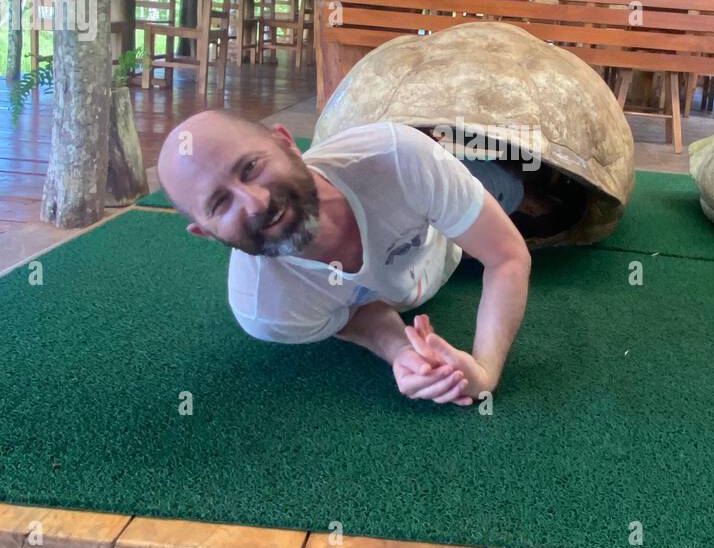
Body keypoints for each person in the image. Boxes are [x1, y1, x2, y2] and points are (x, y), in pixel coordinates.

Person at [157, 112, 533, 407]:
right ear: (207, 233)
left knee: (519, 187)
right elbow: (351, 314)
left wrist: (485, 370)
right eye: (220, 204)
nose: (256, 201)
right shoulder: (266, 312)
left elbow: (506, 256)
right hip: (419, 233)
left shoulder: (399, 158)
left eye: (251, 167)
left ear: (287, 143)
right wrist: (400, 351)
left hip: (439, 196)